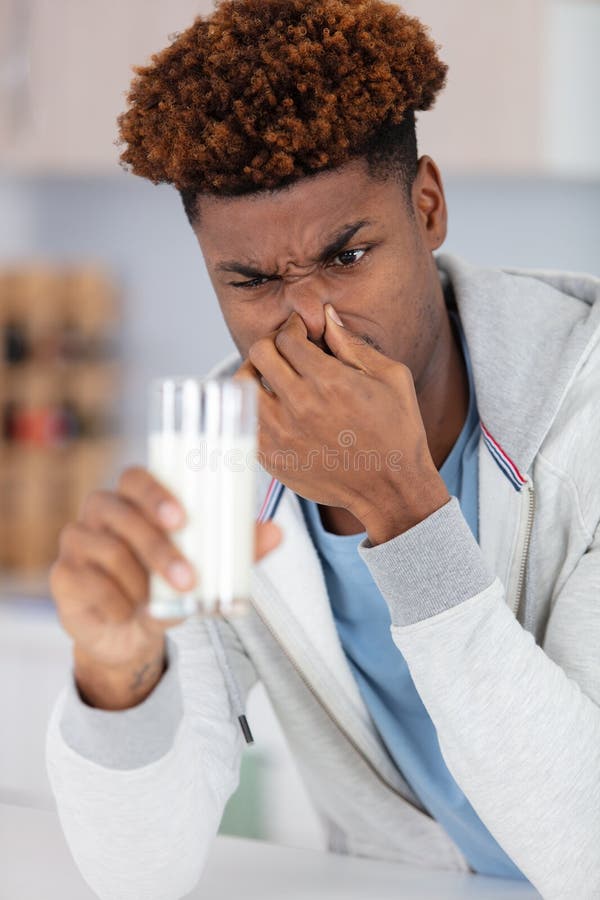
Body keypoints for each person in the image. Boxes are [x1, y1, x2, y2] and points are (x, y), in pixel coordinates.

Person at [46, 1, 600, 898]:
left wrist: (403, 510)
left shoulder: (587, 409)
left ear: (426, 207)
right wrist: (118, 675)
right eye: (253, 280)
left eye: (347, 257)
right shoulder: (217, 463)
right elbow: (136, 878)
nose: (307, 320)